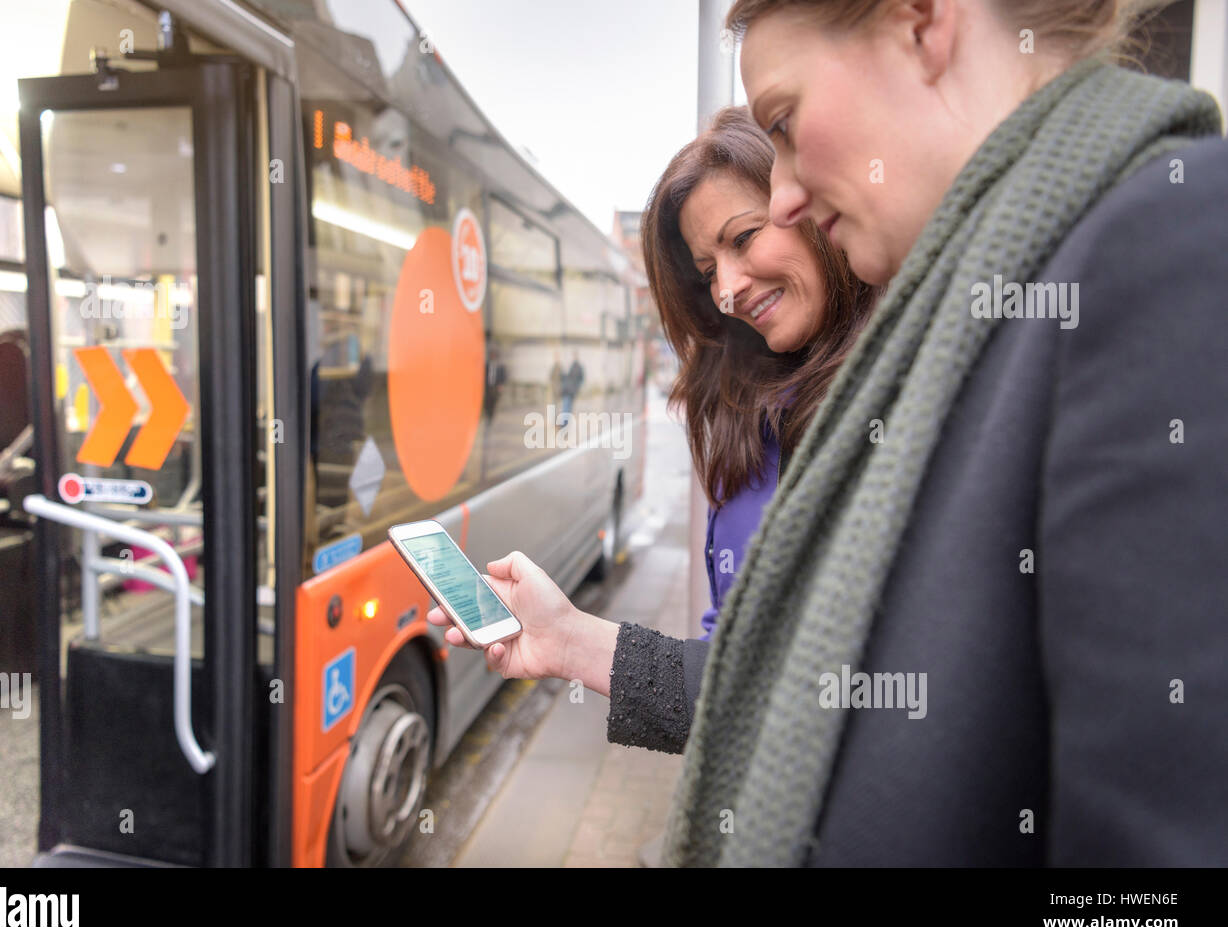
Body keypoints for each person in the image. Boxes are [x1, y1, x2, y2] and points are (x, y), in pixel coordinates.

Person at [450, 0, 1228, 867]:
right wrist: (568, 639)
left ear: (921, 23)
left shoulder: (1165, 250)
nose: (784, 192)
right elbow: (781, 695)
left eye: (783, 121)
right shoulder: (951, 331)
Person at [432, 107, 875, 723]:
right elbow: (732, 680)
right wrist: (566, 638)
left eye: (743, 238)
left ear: (814, 208)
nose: (727, 288)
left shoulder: (903, 407)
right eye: (707, 270)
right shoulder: (752, 419)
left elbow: (806, 705)